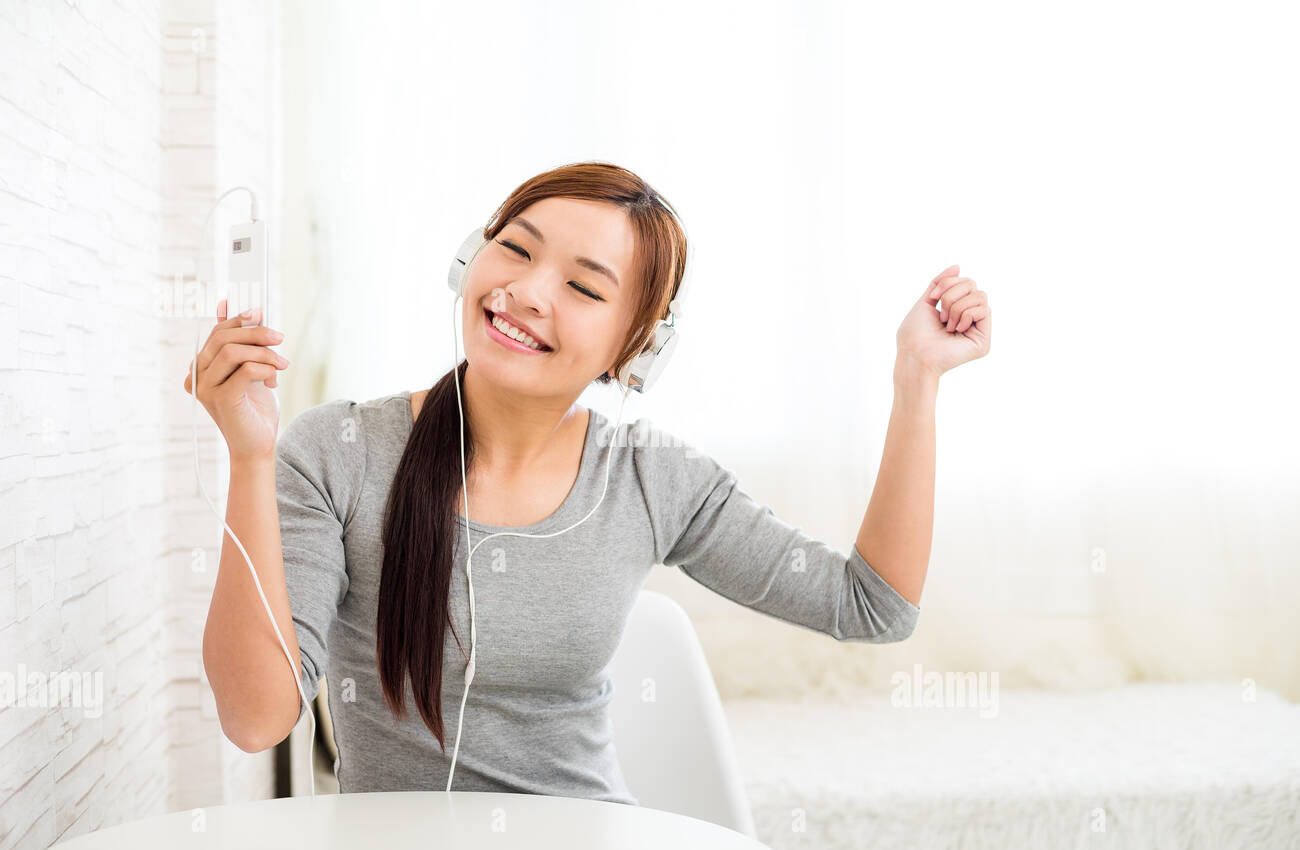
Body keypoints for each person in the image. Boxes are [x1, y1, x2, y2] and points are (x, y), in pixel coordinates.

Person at [184, 160, 992, 804]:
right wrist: (250, 457)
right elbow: (257, 718)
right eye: (516, 249)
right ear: (472, 255)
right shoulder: (340, 451)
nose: (526, 293)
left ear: (634, 350)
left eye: (582, 287)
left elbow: (873, 606)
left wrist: (916, 380)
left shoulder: (651, 478)